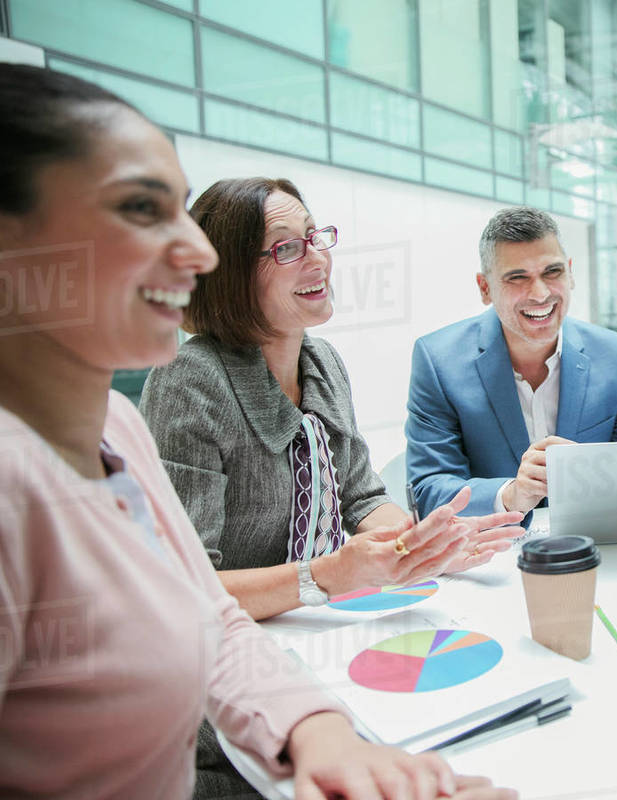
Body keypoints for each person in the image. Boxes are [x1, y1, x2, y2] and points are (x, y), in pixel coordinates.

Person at [0, 64, 512, 800]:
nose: (197, 254)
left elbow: (207, 616)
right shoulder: (170, 392)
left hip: (309, 679)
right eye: (142, 209)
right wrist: (330, 578)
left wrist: (325, 737)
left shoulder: (115, 425)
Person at [138, 177, 524, 797]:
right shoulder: (191, 382)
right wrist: (327, 576)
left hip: (313, 652)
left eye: (316, 237)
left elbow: (363, 496)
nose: (318, 256)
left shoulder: (322, 363)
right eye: (287, 248)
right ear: (232, 274)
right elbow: (190, 592)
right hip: (227, 707)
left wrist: (424, 541)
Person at [405, 207, 617, 520]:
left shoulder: (614, 354)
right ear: (485, 288)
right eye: (517, 278)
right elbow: (428, 490)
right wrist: (510, 494)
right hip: (492, 553)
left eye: (553, 272)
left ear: (570, 273)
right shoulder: (438, 360)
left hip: (590, 544)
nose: (541, 293)